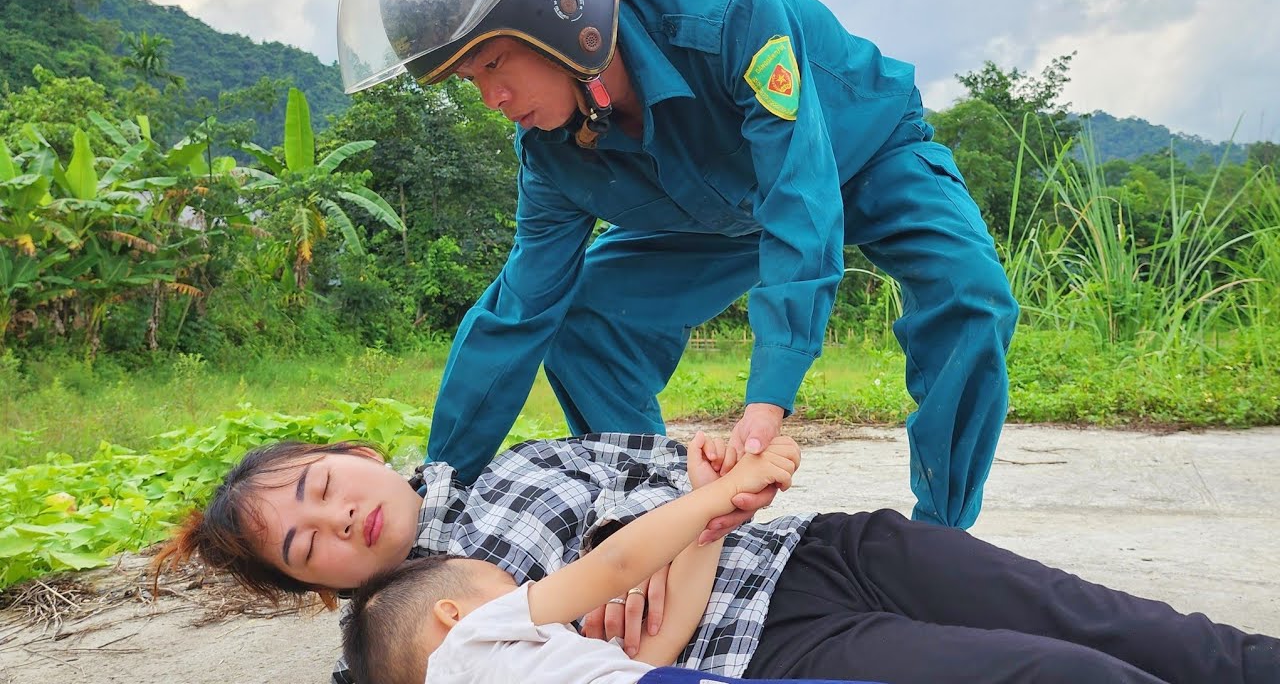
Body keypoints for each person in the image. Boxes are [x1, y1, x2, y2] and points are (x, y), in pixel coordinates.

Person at [336, 0, 1020, 530]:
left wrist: (767, 402)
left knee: (970, 294)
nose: (491, 97)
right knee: (579, 315)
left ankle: (941, 535)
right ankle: (669, 519)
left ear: (562, 18)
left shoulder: (732, 21)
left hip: (860, 154)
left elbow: (799, 199)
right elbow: (519, 311)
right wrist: (440, 489)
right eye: (469, 81)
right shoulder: (550, 154)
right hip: (719, 221)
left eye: (492, 63)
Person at [154, 433, 1278, 683]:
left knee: (1152, 636)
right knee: (1065, 681)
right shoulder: (395, 654)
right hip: (777, 649)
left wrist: (712, 503)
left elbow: (702, 476)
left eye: (318, 487)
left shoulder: (524, 460)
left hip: (835, 551)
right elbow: (663, 546)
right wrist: (674, 540)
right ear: (320, 593)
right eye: (302, 547)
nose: (334, 519)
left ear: (354, 455)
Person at [341, 439, 875, 684]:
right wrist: (719, 494)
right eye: (504, 583)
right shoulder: (476, 637)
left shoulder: (557, 657)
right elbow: (617, 563)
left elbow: (662, 643)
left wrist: (707, 534)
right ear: (452, 614)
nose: (523, 590)